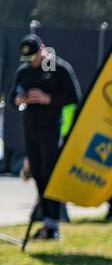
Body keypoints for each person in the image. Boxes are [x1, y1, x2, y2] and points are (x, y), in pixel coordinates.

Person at [9, 35, 81, 241]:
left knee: (51, 174)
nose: (31, 62)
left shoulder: (57, 68)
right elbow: (13, 96)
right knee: (38, 174)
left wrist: (47, 99)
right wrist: (19, 99)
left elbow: (74, 97)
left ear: (42, 50)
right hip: (30, 129)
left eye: (34, 57)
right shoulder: (24, 70)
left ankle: (54, 222)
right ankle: (46, 221)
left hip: (51, 131)